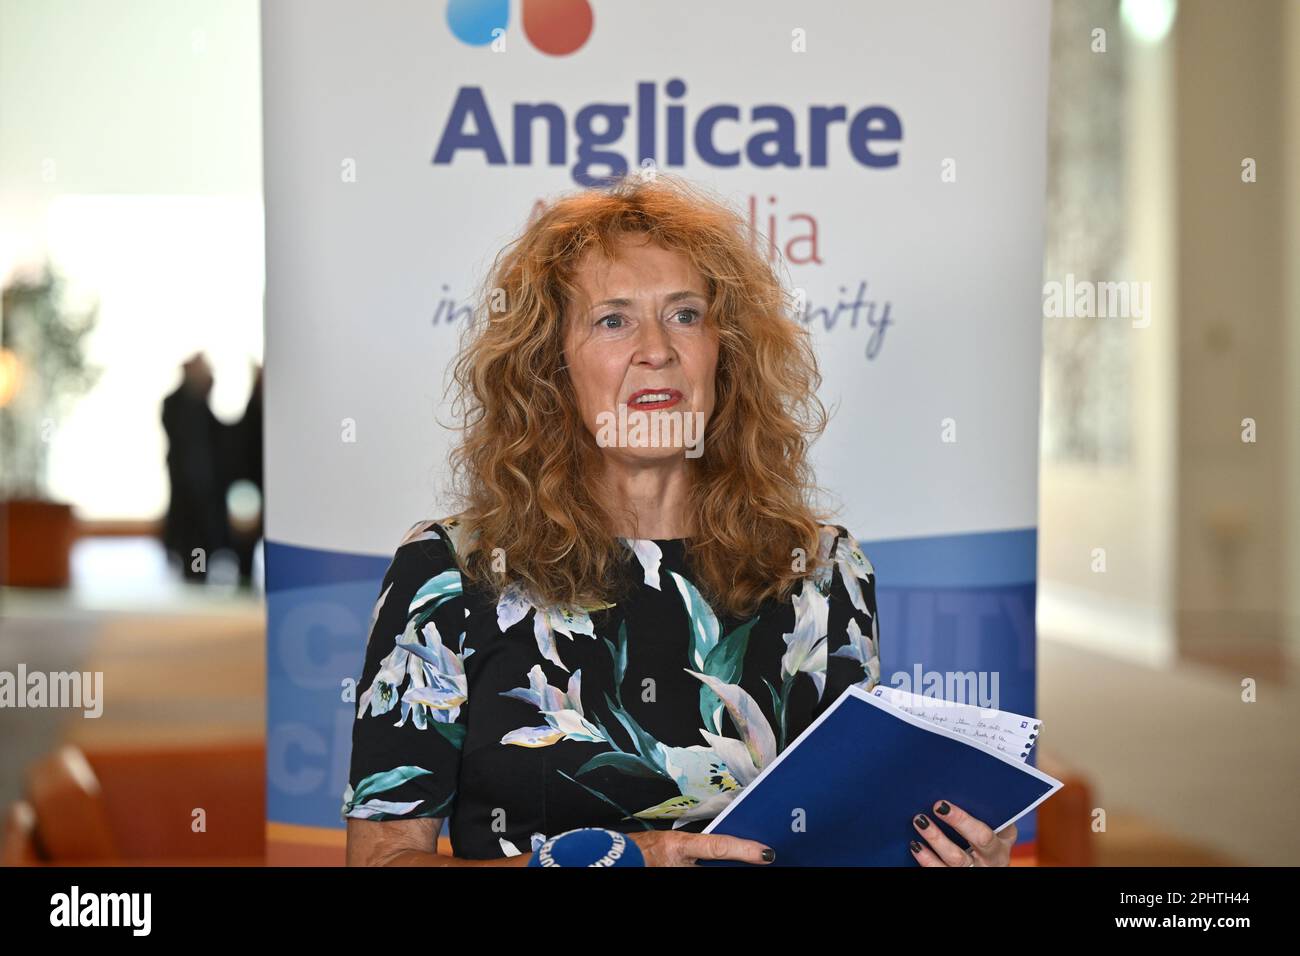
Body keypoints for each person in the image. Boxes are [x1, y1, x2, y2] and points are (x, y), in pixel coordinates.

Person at [343, 174, 1017, 867]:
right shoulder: (449, 572)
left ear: (725, 353)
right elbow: (382, 860)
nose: (656, 348)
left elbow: (850, 831)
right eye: (613, 319)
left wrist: (943, 857)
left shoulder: (822, 569)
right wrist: (620, 859)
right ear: (551, 365)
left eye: (685, 314)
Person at [160, 352, 228, 581]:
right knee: (189, 534)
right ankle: (193, 571)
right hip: (184, 482)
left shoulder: (200, 404)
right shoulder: (175, 403)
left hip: (203, 482)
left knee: (201, 533)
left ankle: (198, 571)